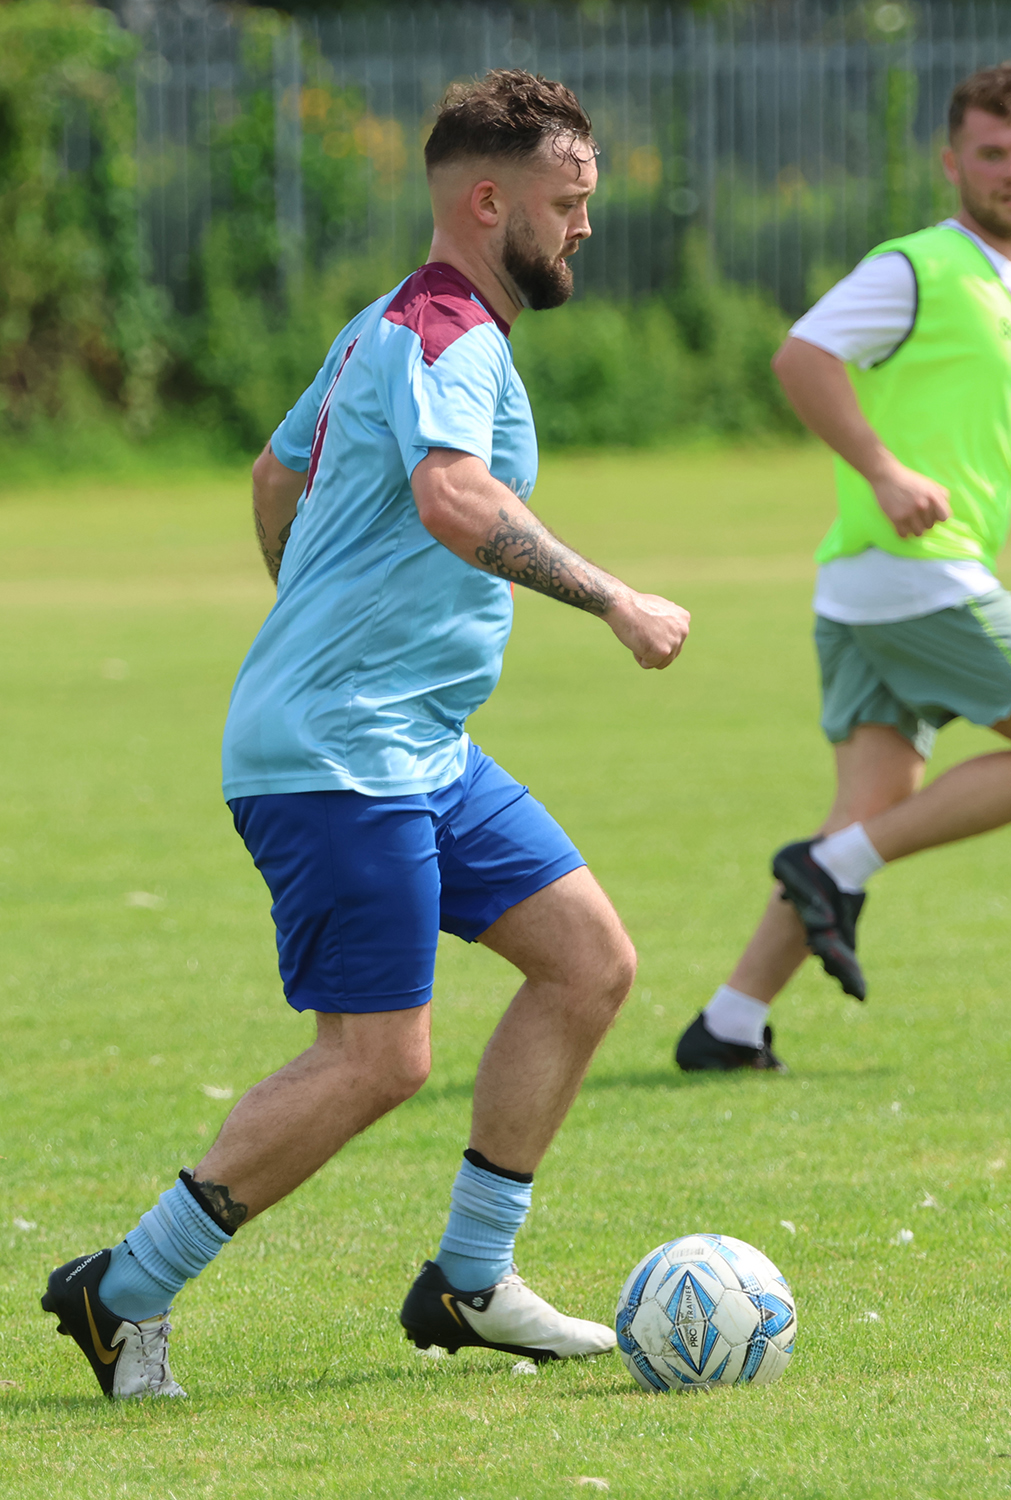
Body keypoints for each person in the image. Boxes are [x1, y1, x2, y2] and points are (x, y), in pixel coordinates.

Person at [43, 69, 690, 1398]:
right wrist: (614, 597)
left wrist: (319, 603)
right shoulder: (444, 336)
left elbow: (280, 473)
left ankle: (470, 1279)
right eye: (568, 205)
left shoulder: (387, 327)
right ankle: (119, 1292)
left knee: (586, 963)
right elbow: (455, 499)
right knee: (379, 1059)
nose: (583, 229)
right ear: (488, 197)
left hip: (417, 747)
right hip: (341, 757)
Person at [676, 62, 1011, 1075]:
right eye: (992, 152)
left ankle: (729, 1022)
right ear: (953, 161)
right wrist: (883, 470)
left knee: (866, 815)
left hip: (868, 587)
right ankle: (832, 868)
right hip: (915, 571)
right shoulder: (917, 267)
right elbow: (801, 358)